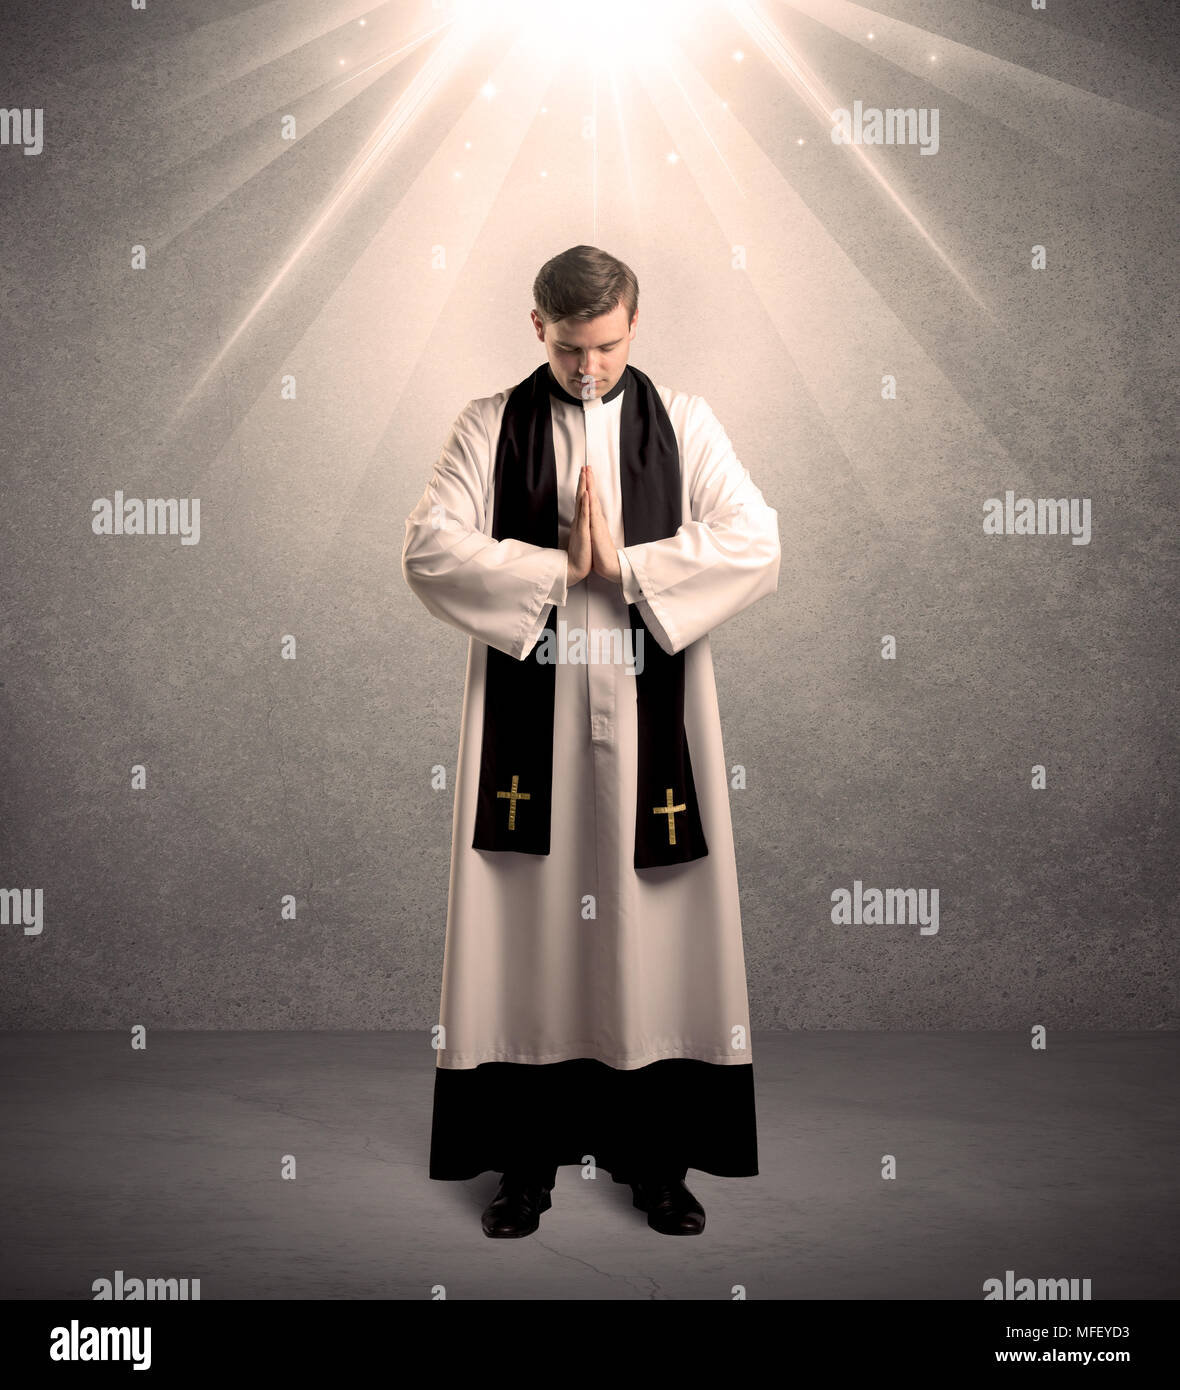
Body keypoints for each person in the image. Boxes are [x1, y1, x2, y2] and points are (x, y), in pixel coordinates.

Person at [402, 245, 780, 1238]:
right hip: (532, 736)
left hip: (658, 727)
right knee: (527, 934)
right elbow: (429, 547)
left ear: (634, 325)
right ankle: (523, 1164)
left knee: (651, 935)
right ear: (538, 327)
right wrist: (548, 571)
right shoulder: (488, 425)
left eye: (607, 347)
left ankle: (656, 1161)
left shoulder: (684, 424)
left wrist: (629, 565)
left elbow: (755, 538)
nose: (588, 369)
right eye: (571, 347)